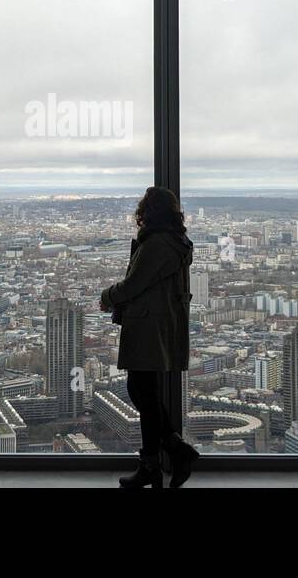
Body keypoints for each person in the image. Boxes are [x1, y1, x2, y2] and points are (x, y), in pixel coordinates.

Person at [100, 186, 200, 488]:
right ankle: (170, 452)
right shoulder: (177, 242)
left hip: (148, 326)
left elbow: (134, 283)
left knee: (143, 392)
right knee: (147, 394)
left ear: (149, 212)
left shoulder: (157, 244)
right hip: (162, 324)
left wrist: (107, 296)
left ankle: (157, 462)